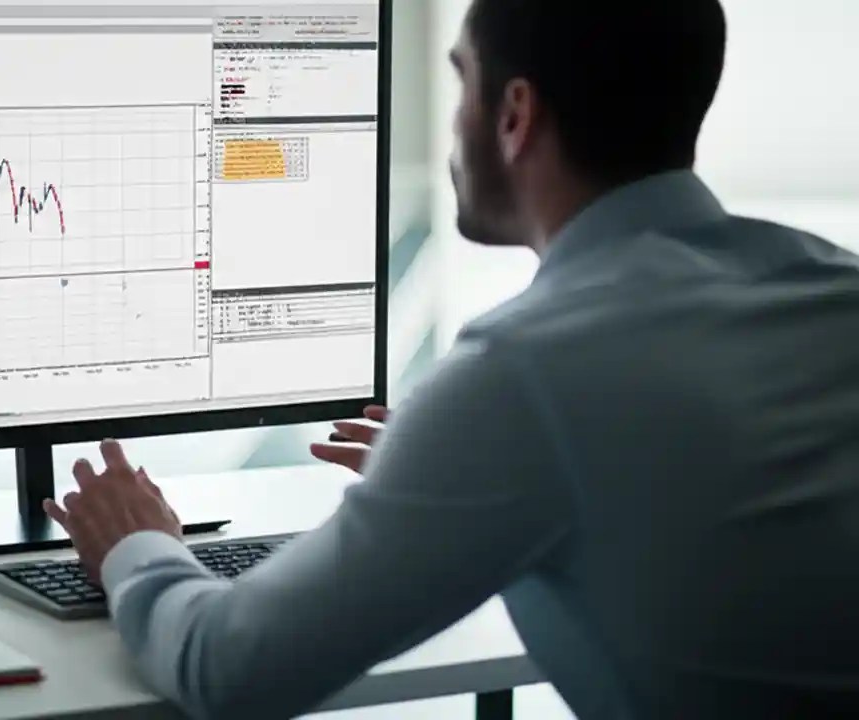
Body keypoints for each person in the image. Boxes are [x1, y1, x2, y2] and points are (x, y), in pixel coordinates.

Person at [42, 0, 859, 716]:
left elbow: (226, 671)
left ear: (513, 113)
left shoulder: (526, 372)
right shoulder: (832, 287)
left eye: (461, 80)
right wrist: (445, 482)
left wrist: (138, 546)